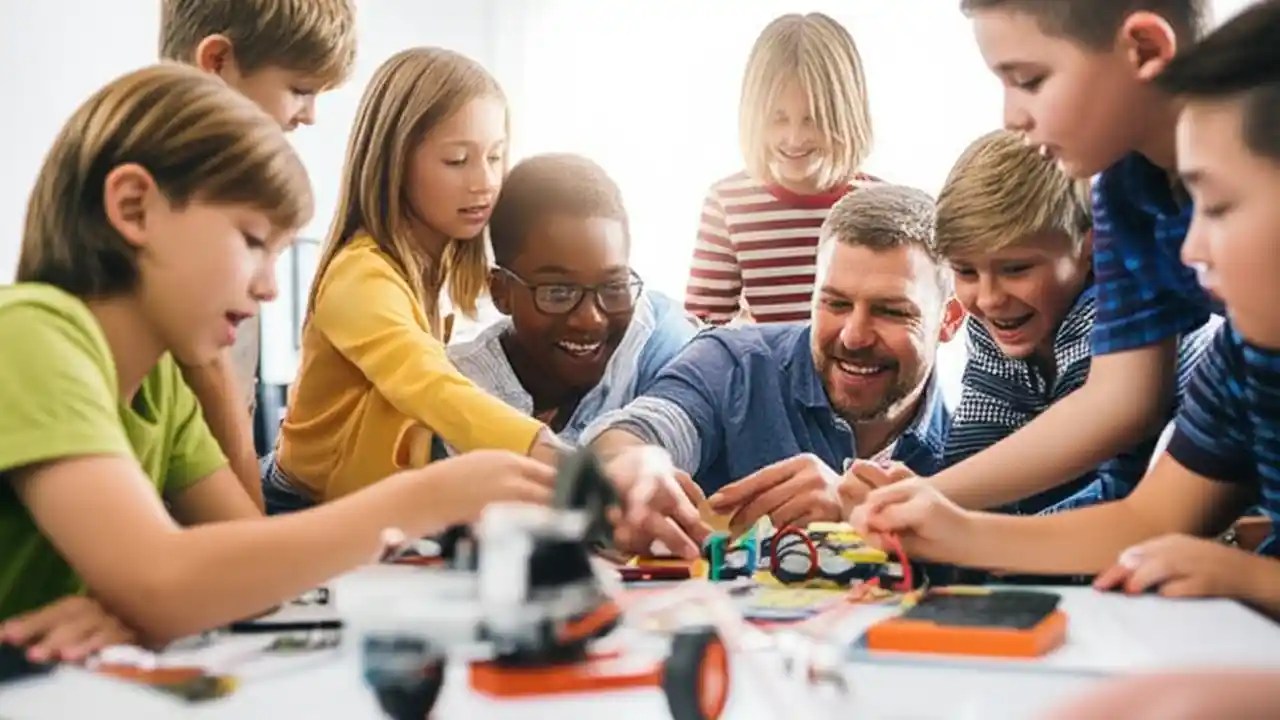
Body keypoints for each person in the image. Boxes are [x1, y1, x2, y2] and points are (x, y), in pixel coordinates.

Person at [0, 64, 555, 651]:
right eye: (251, 241)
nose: (270, 287)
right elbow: (162, 579)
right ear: (135, 208)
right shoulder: (31, 334)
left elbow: (244, 570)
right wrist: (433, 496)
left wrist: (137, 607)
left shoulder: (159, 385)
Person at [851, 0, 1280, 618]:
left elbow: (1120, 413)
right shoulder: (1243, 354)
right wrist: (936, 516)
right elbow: (1152, 509)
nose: (1188, 251)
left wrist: (1256, 579)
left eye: (1028, 80)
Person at [264, 49, 707, 555]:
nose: (484, 181)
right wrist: (569, 470)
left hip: (374, 517)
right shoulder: (360, 276)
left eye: (495, 157)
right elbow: (434, 389)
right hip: (302, 507)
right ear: (394, 161)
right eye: (457, 160)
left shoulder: (429, 268)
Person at [905, 0, 1220, 513]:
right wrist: (918, 499)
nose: (1010, 117)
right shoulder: (1124, 196)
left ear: (1143, 49)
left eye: (1029, 80)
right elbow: (1120, 404)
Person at [588, 184, 961, 539]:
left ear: (949, 318)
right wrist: (631, 463)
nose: (853, 336)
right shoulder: (734, 365)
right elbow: (644, 428)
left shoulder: (974, 444)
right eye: (835, 303)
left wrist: (862, 511)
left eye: (890, 311)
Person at [936, 129, 1214, 515]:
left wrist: (941, 509)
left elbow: (1106, 482)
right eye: (965, 272)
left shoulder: (1108, 307)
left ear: (1089, 248)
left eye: (1016, 269)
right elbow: (974, 454)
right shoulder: (996, 323)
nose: (988, 298)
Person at [158, 0, 358, 509]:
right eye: (300, 90)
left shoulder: (231, 205)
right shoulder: (185, 219)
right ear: (218, 62)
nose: (309, 115)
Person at [449, 153, 699, 443]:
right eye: (558, 292)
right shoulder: (458, 391)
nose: (591, 318)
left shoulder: (658, 341)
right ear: (501, 292)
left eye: (613, 287)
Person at [684, 12, 878, 326]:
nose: (794, 138)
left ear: (845, 114)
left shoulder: (879, 205)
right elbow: (702, 329)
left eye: (812, 118)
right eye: (778, 118)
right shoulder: (728, 204)